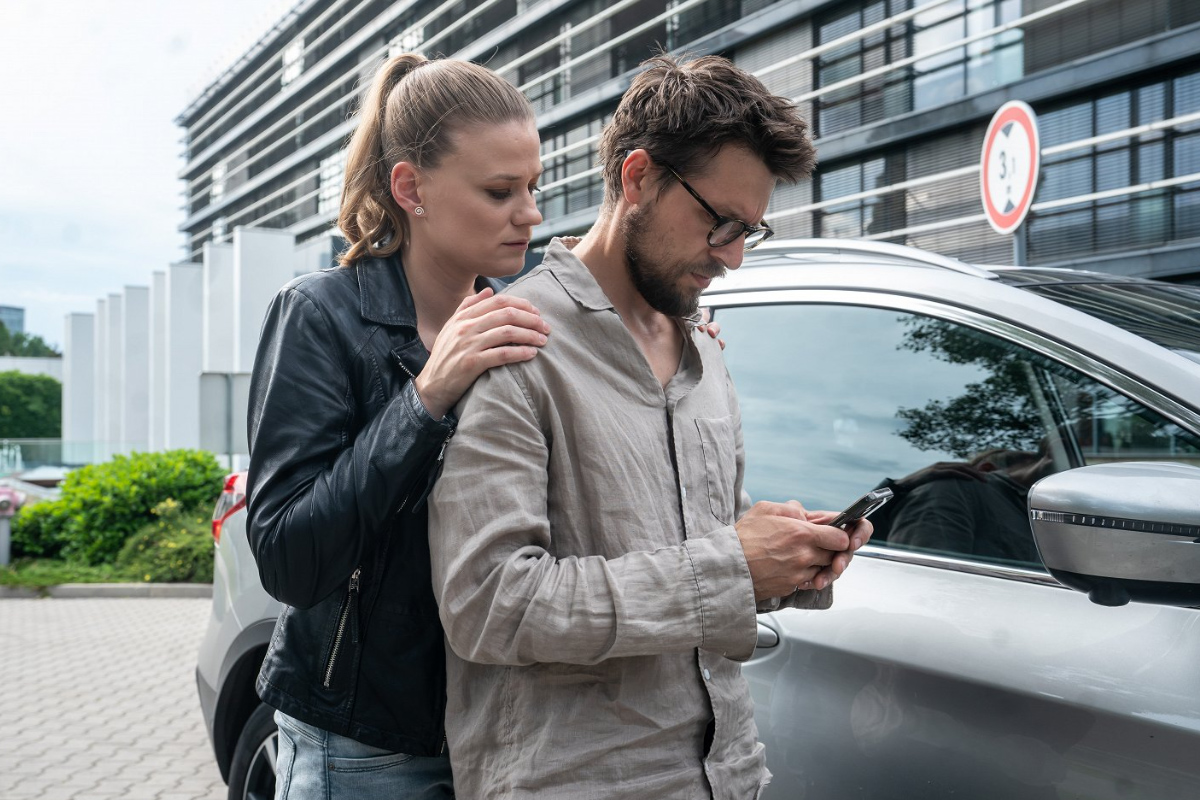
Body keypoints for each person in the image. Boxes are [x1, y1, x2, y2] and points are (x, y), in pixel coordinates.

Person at [427, 54, 874, 799]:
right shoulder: (515, 344)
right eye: (720, 222)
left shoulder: (706, 354)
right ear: (638, 178)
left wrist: (783, 563)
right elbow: (488, 605)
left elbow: (695, 557)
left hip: (726, 773)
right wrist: (731, 567)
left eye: (749, 232)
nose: (732, 257)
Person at [245, 53, 552, 799]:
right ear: (410, 188)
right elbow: (288, 557)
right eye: (499, 191)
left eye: (534, 187)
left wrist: (662, 340)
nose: (532, 214)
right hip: (365, 745)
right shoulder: (321, 314)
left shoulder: (530, 315)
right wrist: (425, 398)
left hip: (508, 730)